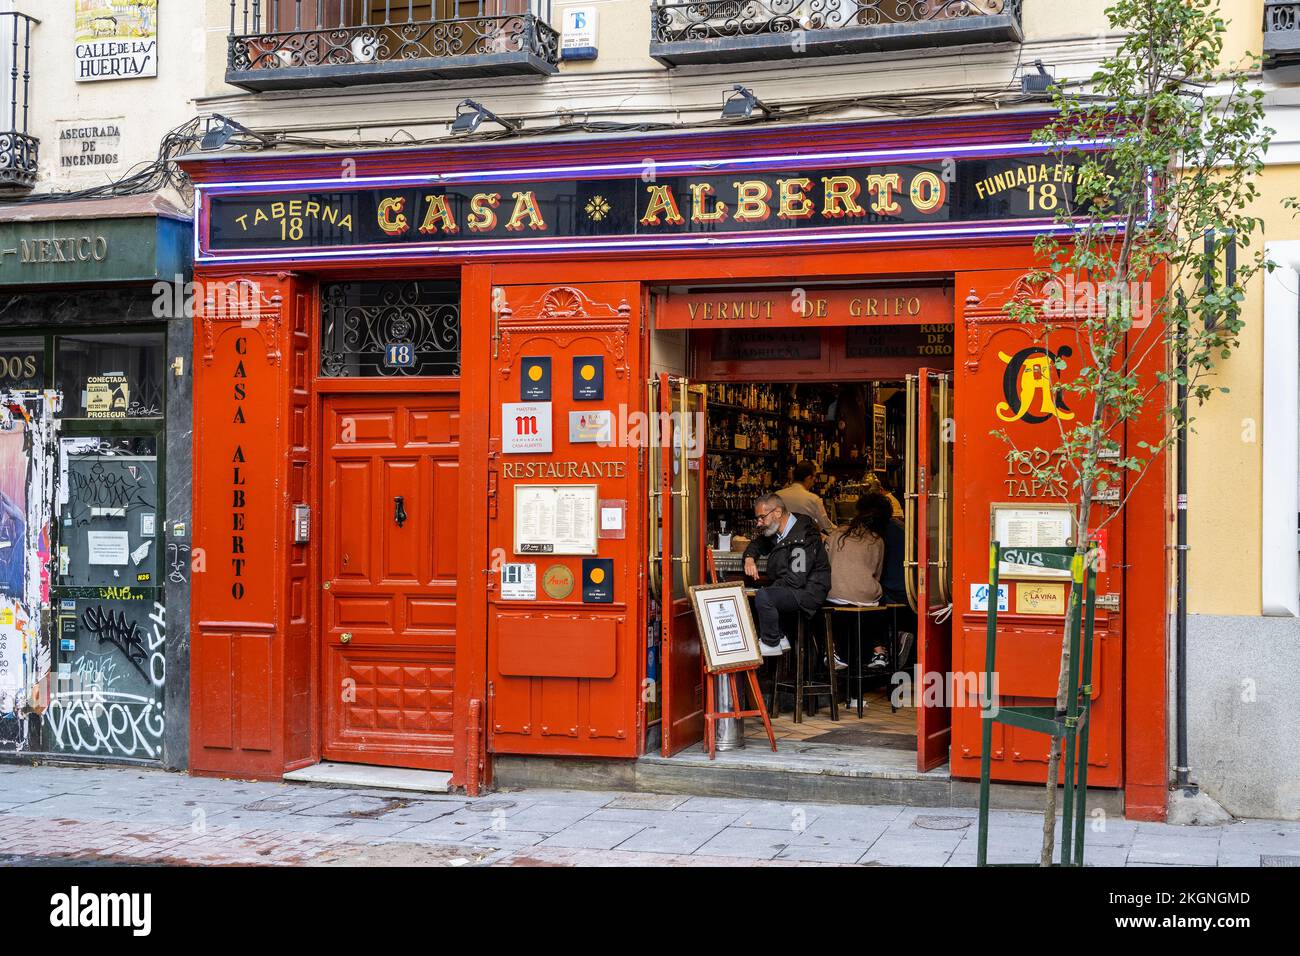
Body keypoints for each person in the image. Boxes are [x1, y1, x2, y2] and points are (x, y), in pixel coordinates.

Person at [743, 493, 831, 657]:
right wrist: (749, 558)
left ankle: (771, 642)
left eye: (762, 517)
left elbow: (796, 579)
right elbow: (757, 543)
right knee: (760, 596)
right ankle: (779, 636)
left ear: (777, 512)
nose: (758, 523)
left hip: (809, 592)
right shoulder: (779, 530)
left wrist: (768, 590)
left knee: (764, 597)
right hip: (794, 587)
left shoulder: (802, 536)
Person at [777, 461, 834, 534]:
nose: (815, 481)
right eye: (814, 477)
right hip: (805, 543)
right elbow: (827, 527)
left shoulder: (777, 496)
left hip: (780, 543)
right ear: (808, 478)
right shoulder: (813, 499)